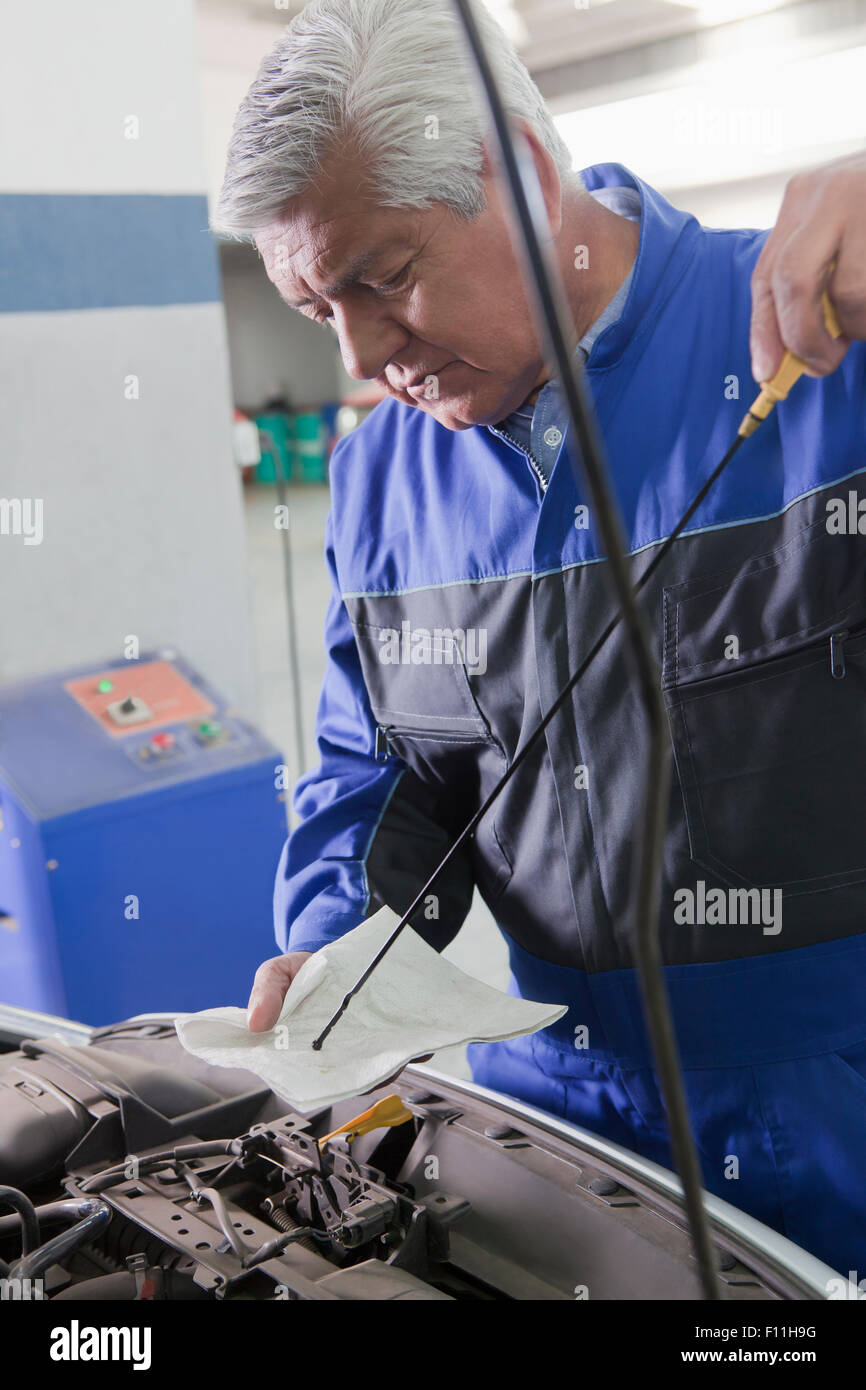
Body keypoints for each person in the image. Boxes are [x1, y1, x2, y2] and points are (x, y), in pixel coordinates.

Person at [214, 0, 866, 1277]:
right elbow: (378, 772)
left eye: (383, 277)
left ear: (517, 167)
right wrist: (342, 941)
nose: (361, 351)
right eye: (315, 310)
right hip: (560, 1139)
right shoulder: (378, 482)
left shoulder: (822, 352)